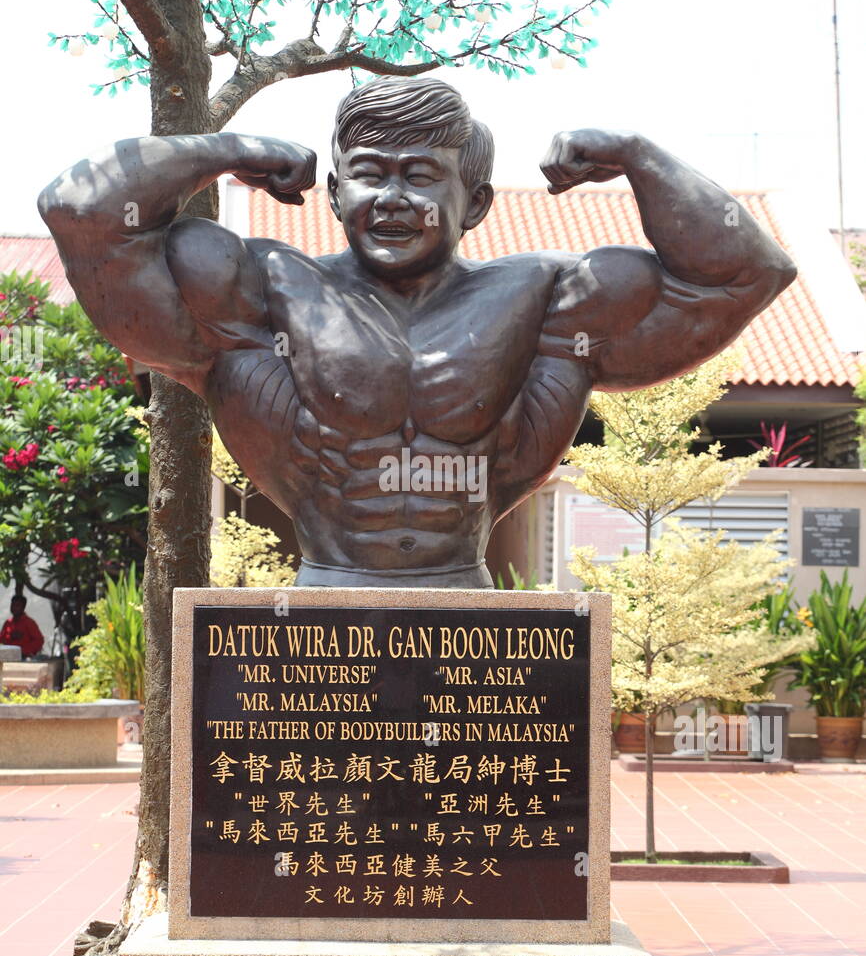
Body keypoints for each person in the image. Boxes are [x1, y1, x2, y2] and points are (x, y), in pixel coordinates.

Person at [38, 76, 796, 588]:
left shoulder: (546, 301)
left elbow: (744, 275)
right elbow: (81, 213)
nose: (392, 197)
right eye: (369, 173)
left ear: (475, 202)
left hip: (467, 603)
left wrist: (639, 154)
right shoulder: (258, 295)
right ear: (334, 194)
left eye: (422, 175)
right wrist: (227, 150)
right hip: (320, 602)